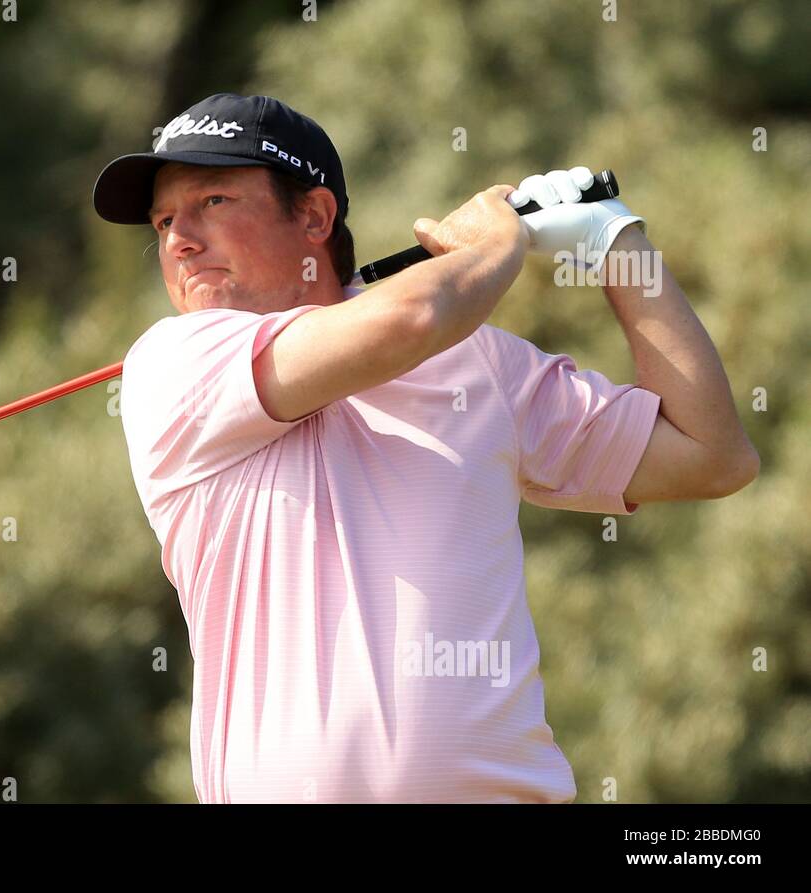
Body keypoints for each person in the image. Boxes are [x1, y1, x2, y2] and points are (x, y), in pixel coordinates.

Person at [92, 93, 760, 803]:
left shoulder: (478, 363)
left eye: (213, 201)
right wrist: (498, 246)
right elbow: (409, 316)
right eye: (164, 221)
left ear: (314, 216)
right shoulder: (171, 362)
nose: (179, 240)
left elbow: (712, 454)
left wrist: (619, 246)